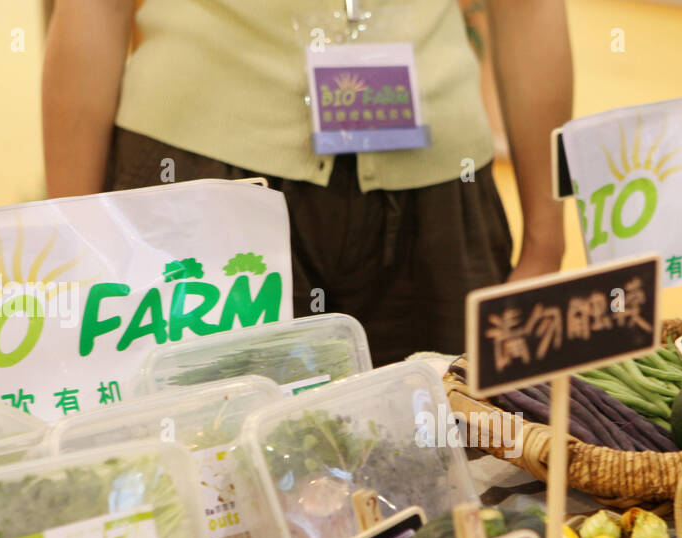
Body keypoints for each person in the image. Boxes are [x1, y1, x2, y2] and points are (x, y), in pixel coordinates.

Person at [42, 0, 573, 365]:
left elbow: (529, 7)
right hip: (198, 179)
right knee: (206, 479)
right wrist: (77, 234)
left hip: (438, 196)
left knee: (451, 472)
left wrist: (546, 244)